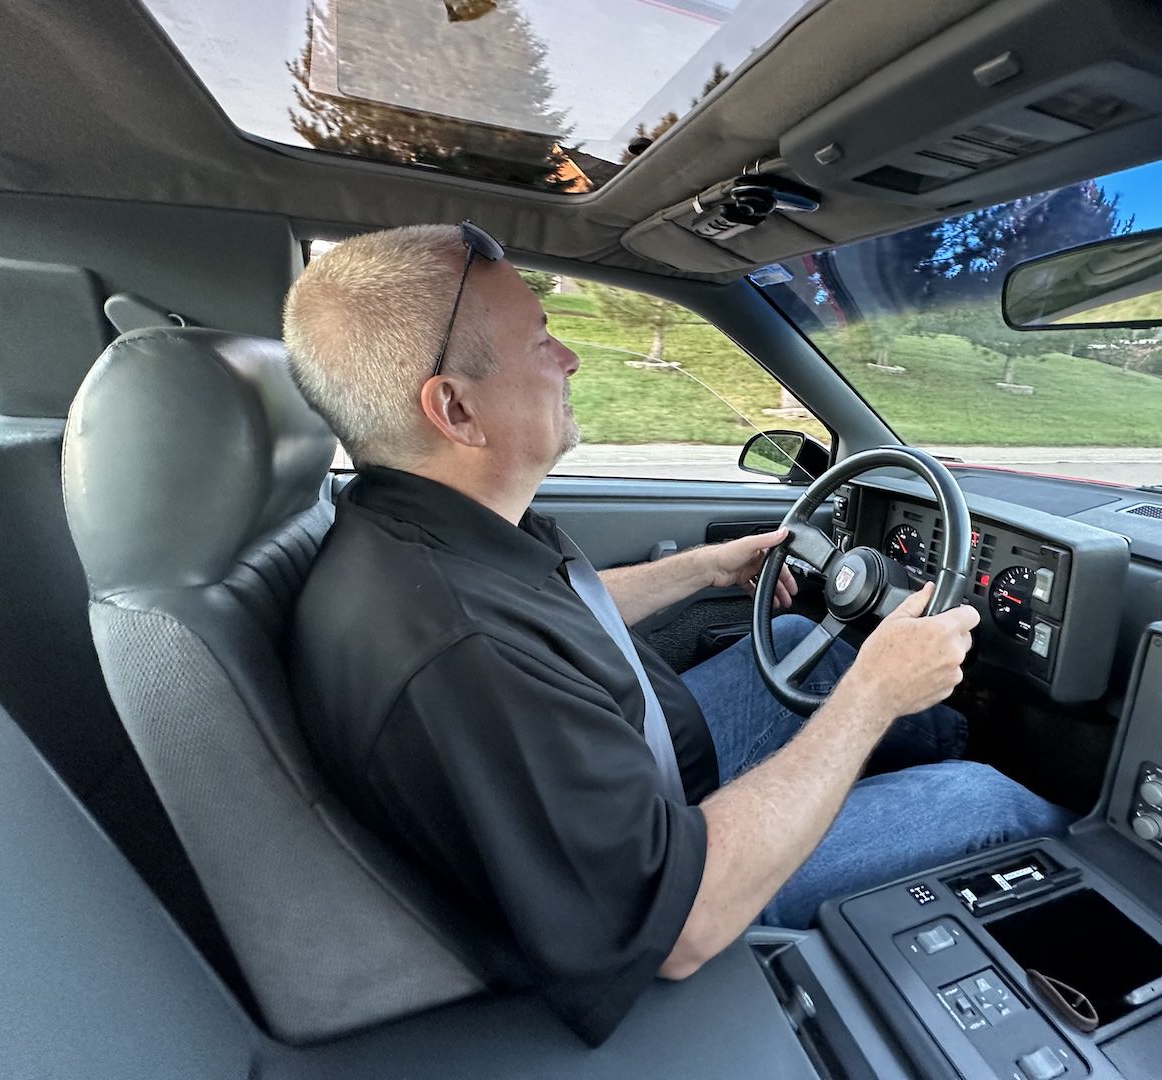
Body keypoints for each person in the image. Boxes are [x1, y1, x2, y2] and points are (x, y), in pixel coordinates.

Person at [284, 224, 1071, 1044]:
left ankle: (921, 777)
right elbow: (680, 926)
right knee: (992, 801)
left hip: (647, 755)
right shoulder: (457, 655)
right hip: (683, 875)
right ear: (456, 408)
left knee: (827, 648)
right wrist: (876, 699)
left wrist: (700, 569)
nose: (570, 359)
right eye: (540, 339)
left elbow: (555, 615)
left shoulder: (428, 532)